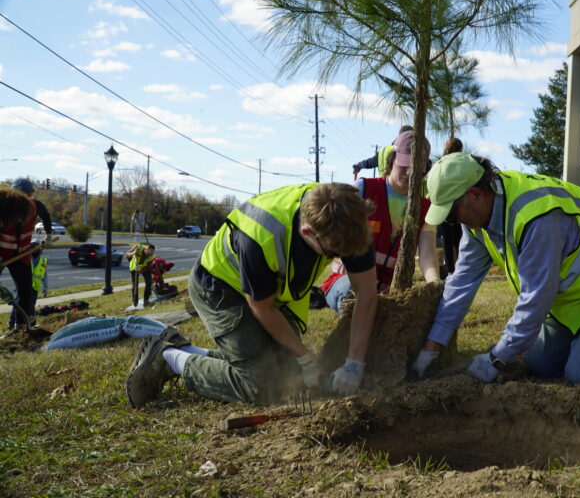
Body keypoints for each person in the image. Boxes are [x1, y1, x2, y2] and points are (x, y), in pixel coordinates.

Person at [409, 152, 580, 386]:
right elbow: (462, 282)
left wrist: (496, 359)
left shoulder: (536, 218)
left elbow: (536, 299)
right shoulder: (479, 218)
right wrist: (431, 348)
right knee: (540, 363)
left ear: (475, 195)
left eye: (452, 215)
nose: (453, 223)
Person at [125, 183, 379, 408]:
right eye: (334, 251)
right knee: (260, 386)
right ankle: (169, 358)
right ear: (308, 232)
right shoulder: (261, 236)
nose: (341, 256)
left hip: (272, 294)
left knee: (286, 373)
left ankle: (188, 349)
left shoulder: (347, 219)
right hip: (220, 287)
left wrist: (355, 363)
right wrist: (305, 357)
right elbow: (263, 309)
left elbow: (366, 292)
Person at [323, 130, 440, 312]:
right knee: (353, 298)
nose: (409, 172)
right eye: (404, 164)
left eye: (416, 167)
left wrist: (434, 284)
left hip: (389, 290)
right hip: (348, 281)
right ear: (392, 160)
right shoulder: (362, 189)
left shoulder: (425, 208)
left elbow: (428, 255)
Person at [0, 185, 38, 331]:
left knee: (25, 290)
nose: (21, 219)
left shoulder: (29, 207)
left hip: (20, 256)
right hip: (2, 254)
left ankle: (20, 327)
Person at [438, 137, 464, 277]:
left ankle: (449, 270)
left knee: (447, 241)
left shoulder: (441, 163)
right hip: (457, 204)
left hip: (443, 205)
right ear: (460, 149)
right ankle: (460, 268)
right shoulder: (460, 163)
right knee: (459, 240)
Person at [8, 239, 47, 328]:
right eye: (32, 246)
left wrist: (45, 287)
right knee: (18, 306)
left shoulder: (42, 261)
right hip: (23, 286)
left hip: (34, 288)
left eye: (36, 246)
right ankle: (12, 323)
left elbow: (44, 274)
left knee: (31, 307)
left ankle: (29, 324)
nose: (34, 248)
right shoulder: (26, 257)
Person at [125, 243, 155, 307]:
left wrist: (141, 270)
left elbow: (148, 267)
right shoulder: (138, 247)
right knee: (135, 284)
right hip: (134, 267)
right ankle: (135, 301)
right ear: (146, 249)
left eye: (151, 254)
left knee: (149, 282)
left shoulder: (152, 256)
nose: (149, 255)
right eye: (148, 253)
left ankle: (146, 300)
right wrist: (133, 253)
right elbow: (126, 255)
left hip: (144, 268)